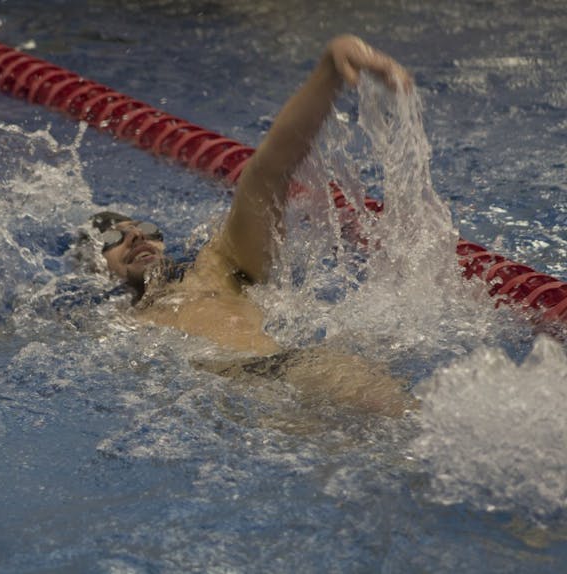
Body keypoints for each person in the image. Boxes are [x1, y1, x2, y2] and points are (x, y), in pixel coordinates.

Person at [83, 35, 416, 418]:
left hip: (285, 374)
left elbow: (267, 173)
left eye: (142, 226)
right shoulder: (108, 329)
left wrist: (328, 73)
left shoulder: (219, 268)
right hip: (229, 417)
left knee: (388, 408)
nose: (135, 235)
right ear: (94, 266)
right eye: (112, 237)